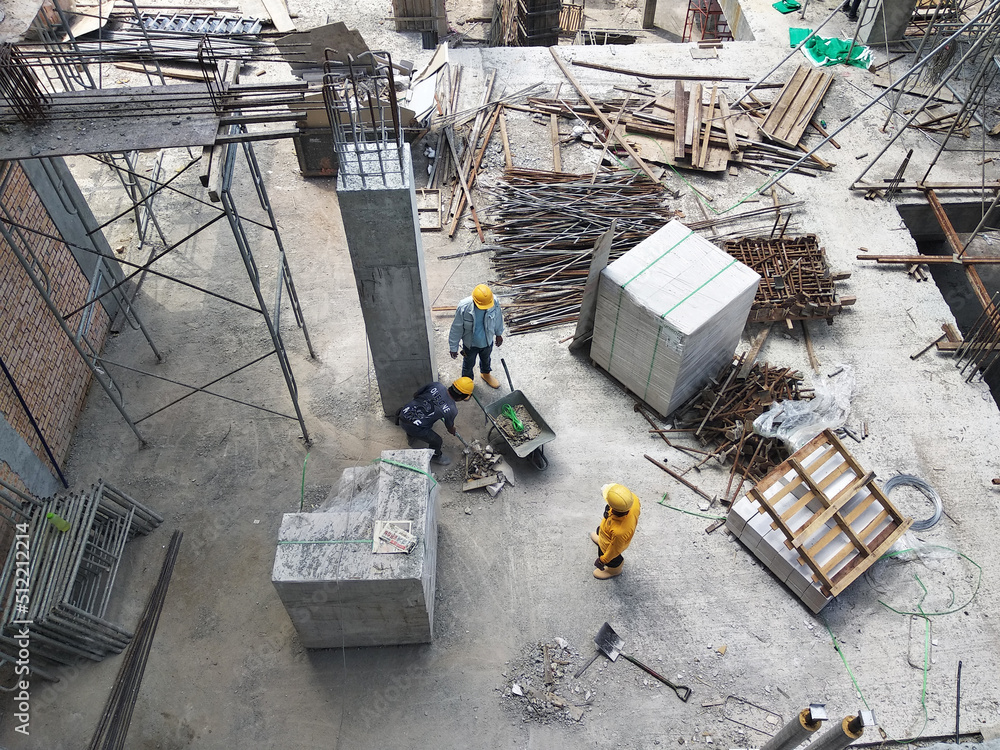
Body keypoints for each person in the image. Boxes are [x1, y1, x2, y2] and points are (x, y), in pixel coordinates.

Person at [396, 378, 473, 466]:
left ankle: (410, 435)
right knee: (437, 441)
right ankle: (436, 457)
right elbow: (449, 427)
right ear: (461, 397)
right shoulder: (452, 409)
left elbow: (416, 395)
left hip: (403, 414)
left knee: (423, 421)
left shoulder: (436, 385)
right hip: (415, 428)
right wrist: (453, 430)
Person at [449, 284, 505, 389]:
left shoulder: (494, 302)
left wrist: (498, 334)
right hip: (470, 345)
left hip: (487, 342)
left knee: (486, 359)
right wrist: (453, 347)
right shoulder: (464, 307)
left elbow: (498, 319)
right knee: (468, 365)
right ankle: (466, 383)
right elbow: (456, 328)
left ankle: (485, 374)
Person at [590, 483, 641, 580]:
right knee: (600, 530)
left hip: (610, 544)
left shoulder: (619, 532)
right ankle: (601, 540)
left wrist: (603, 560)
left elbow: (615, 549)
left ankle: (614, 570)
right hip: (607, 530)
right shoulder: (632, 499)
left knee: (612, 558)